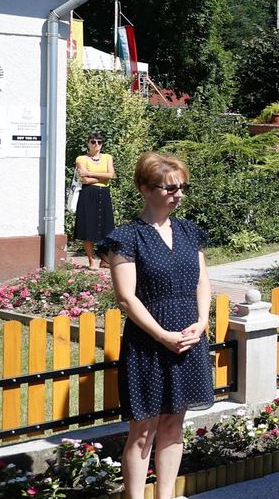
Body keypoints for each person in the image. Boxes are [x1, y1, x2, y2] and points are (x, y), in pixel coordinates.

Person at [96, 151, 212, 499]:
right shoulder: (126, 238)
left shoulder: (191, 232)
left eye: (182, 187)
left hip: (188, 339)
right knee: (143, 430)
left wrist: (202, 322)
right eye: (169, 188)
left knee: (174, 426)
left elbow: (202, 283)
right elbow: (126, 298)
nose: (178, 194)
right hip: (149, 342)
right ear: (145, 189)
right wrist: (163, 336)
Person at [74, 133, 116, 269]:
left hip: (103, 194)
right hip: (88, 193)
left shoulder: (108, 157)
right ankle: (91, 261)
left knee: (106, 226)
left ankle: (104, 259)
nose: (96, 144)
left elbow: (111, 174)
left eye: (99, 142)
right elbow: (84, 178)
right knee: (88, 227)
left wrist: (91, 174)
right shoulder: (81, 158)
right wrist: (104, 177)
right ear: (88, 143)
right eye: (93, 141)